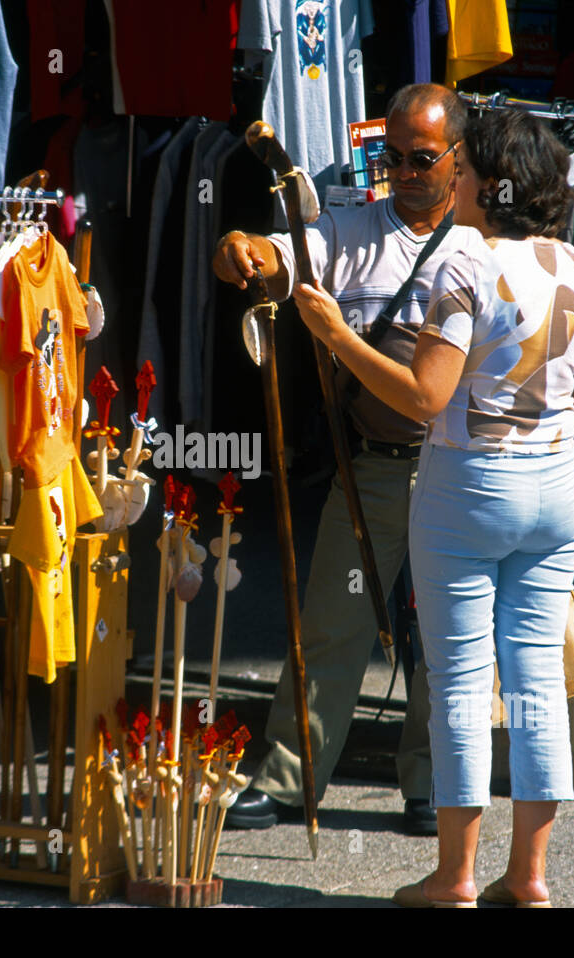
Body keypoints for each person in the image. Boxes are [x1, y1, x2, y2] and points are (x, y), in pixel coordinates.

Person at [293, 109, 574, 906]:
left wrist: (339, 337)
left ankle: (454, 878)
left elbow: (424, 396)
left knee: (461, 681)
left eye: (468, 173)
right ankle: (532, 877)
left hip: (467, 488)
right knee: (537, 680)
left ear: (493, 184)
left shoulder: (465, 265)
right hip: (552, 492)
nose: (458, 185)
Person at [210, 83, 472, 835]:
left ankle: (436, 783)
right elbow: (282, 253)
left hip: (459, 468)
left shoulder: (479, 243)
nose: (405, 171)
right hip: (376, 468)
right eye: (391, 157)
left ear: (458, 159)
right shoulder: (351, 230)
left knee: (449, 637)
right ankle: (291, 775)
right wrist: (244, 251)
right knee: (331, 620)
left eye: (422, 158)